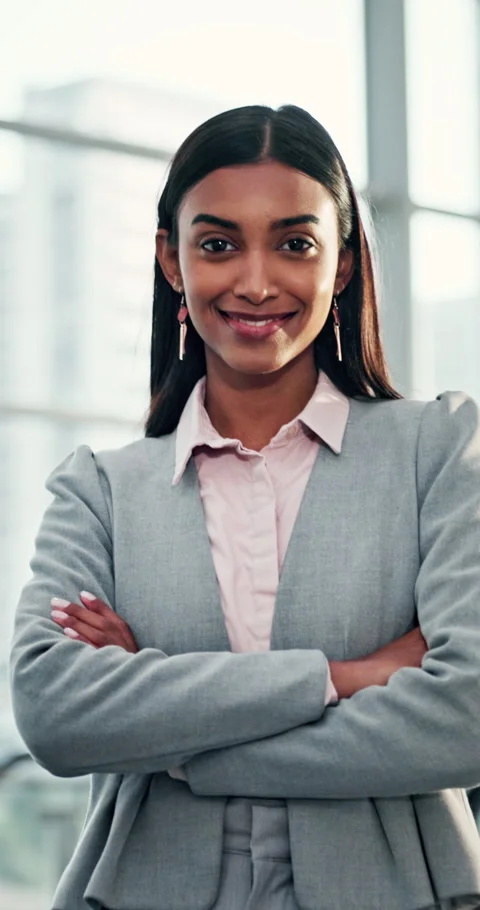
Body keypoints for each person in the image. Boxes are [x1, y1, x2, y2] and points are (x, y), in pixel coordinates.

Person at [8, 104, 480, 910]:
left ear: (341, 264)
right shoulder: (100, 489)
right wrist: (347, 677)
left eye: (295, 243)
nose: (256, 281)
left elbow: (467, 711)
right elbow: (56, 715)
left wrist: (174, 745)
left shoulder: (436, 450)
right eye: (218, 244)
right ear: (171, 259)